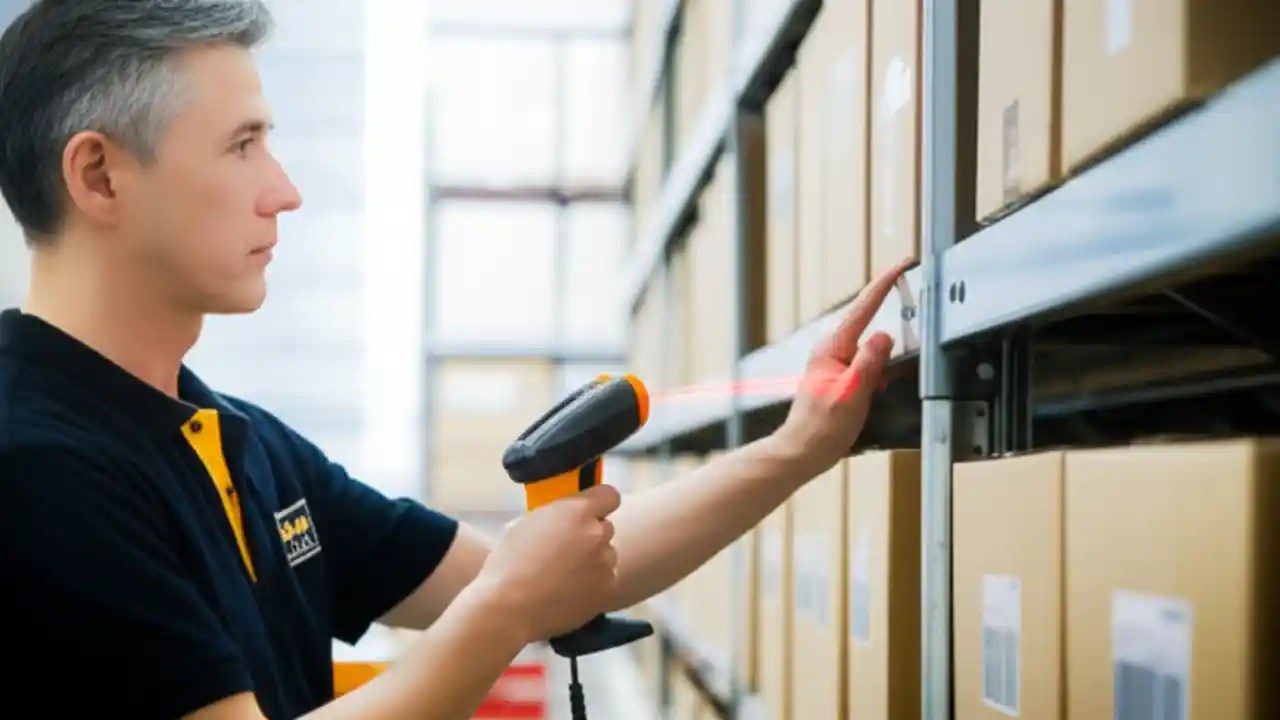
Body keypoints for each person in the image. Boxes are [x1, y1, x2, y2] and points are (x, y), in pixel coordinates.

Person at [0, 2, 910, 718]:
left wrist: (796, 448)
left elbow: (558, 571)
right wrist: (506, 609)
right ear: (100, 176)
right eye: (243, 145)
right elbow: (510, 593)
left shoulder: (233, 440)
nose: (284, 191)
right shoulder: (38, 471)